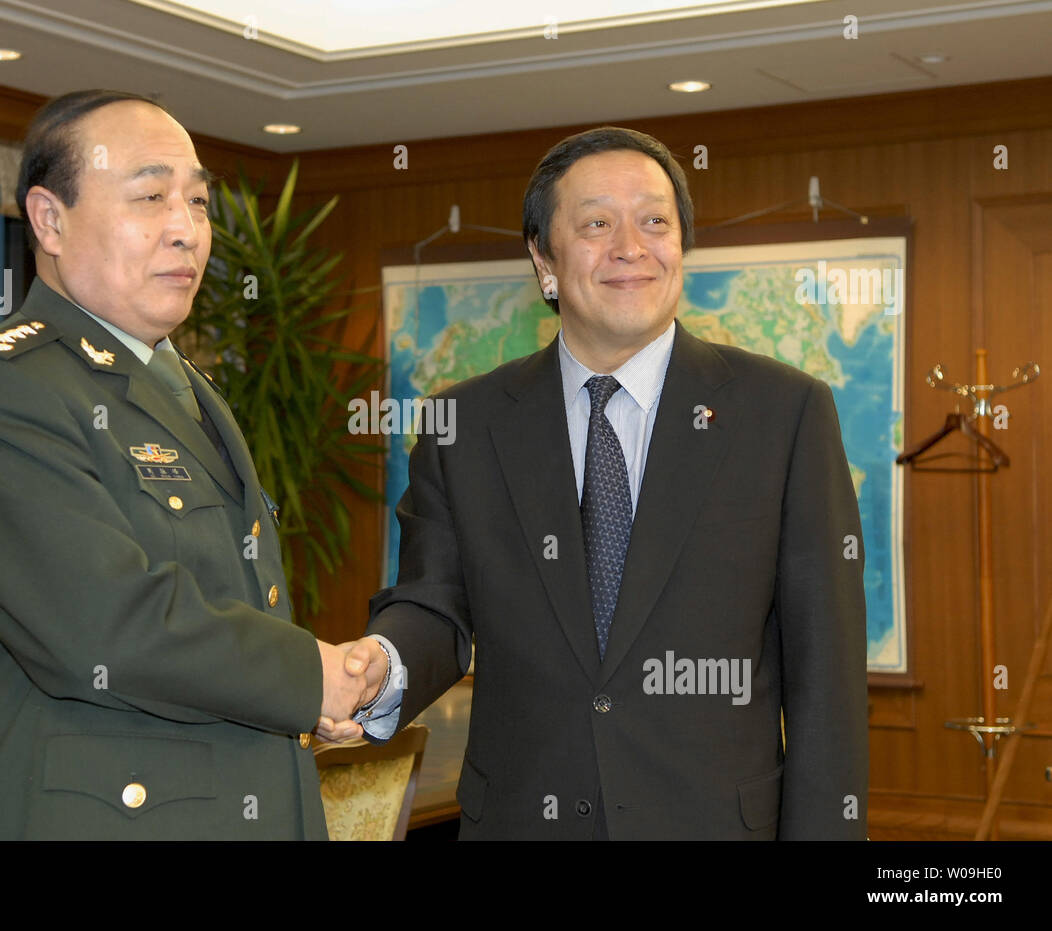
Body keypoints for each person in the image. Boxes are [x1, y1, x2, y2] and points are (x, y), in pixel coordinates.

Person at [326, 126, 870, 840]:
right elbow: (434, 603)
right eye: (595, 224)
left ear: (680, 249)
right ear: (543, 261)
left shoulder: (783, 413)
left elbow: (826, 680)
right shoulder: (463, 423)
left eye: (654, 221)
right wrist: (382, 662)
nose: (629, 247)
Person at [0, 89, 366, 840]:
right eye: (151, 197)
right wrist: (310, 674)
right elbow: (103, 626)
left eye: (198, 202)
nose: (185, 231)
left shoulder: (190, 389)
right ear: (50, 221)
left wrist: (308, 694)